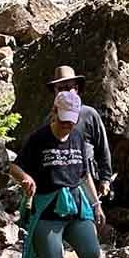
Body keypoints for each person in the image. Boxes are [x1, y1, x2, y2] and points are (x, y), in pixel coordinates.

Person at [9, 89, 105, 258]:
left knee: (91, 254)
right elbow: (14, 166)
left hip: (75, 205)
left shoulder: (77, 136)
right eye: (63, 121)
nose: (67, 126)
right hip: (47, 209)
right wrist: (26, 178)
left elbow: (84, 174)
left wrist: (95, 204)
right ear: (53, 113)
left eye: (71, 121)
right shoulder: (38, 139)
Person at [46, 65, 113, 199]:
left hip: (88, 180)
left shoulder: (89, 114)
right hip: (59, 184)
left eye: (70, 87)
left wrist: (105, 179)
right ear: (55, 91)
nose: (65, 92)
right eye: (61, 88)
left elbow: (102, 148)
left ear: (76, 89)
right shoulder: (48, 120)